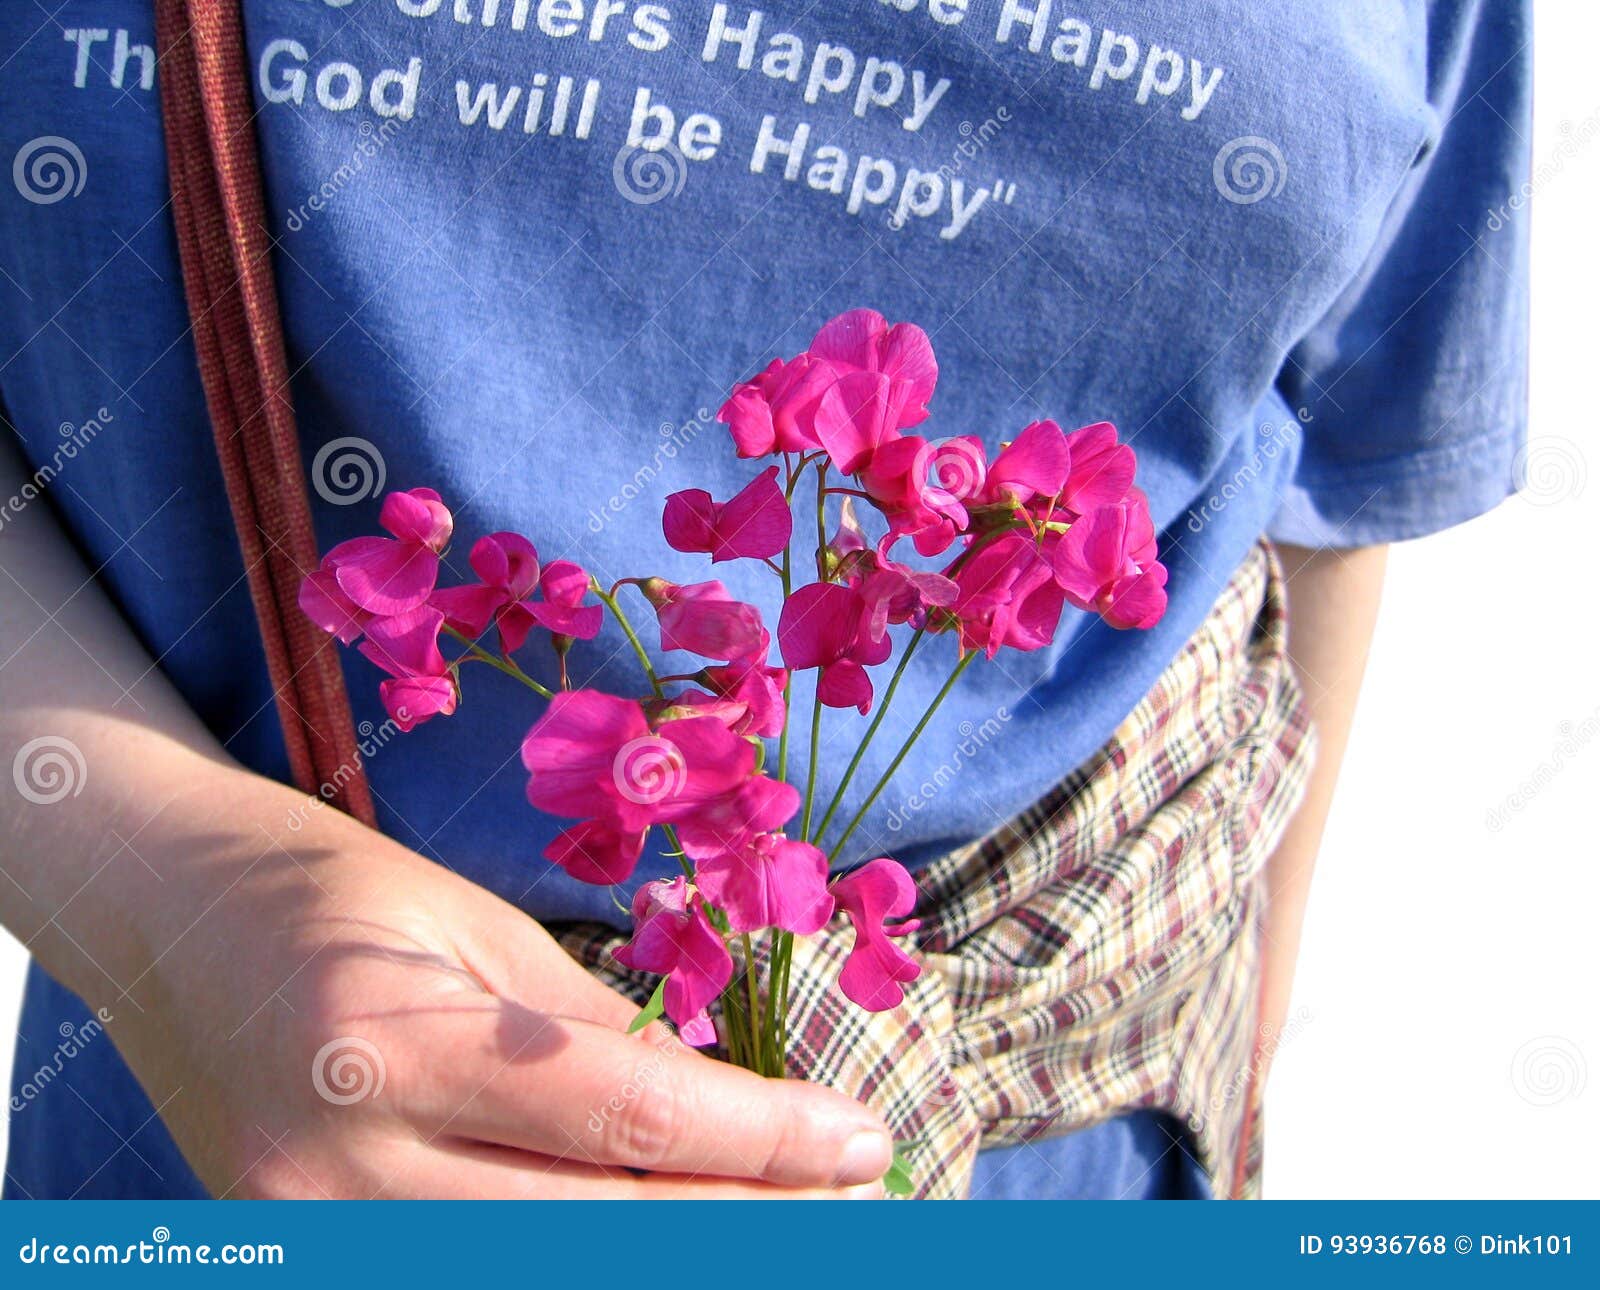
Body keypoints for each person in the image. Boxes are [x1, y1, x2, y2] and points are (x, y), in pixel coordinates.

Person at [0, 0, 1528, 1199]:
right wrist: (161, 886)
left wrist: (1238, 1054)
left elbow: (1347, 439)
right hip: (286, 1120)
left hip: (1084, 1119)